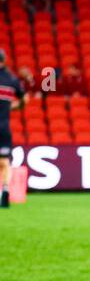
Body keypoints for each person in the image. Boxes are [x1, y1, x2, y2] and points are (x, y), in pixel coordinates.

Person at [0, 48, 26, 208]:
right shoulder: (12, 79)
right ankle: (5, 192)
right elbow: (24, 100)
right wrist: (13, 107)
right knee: (4, 162)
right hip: (3, 127)